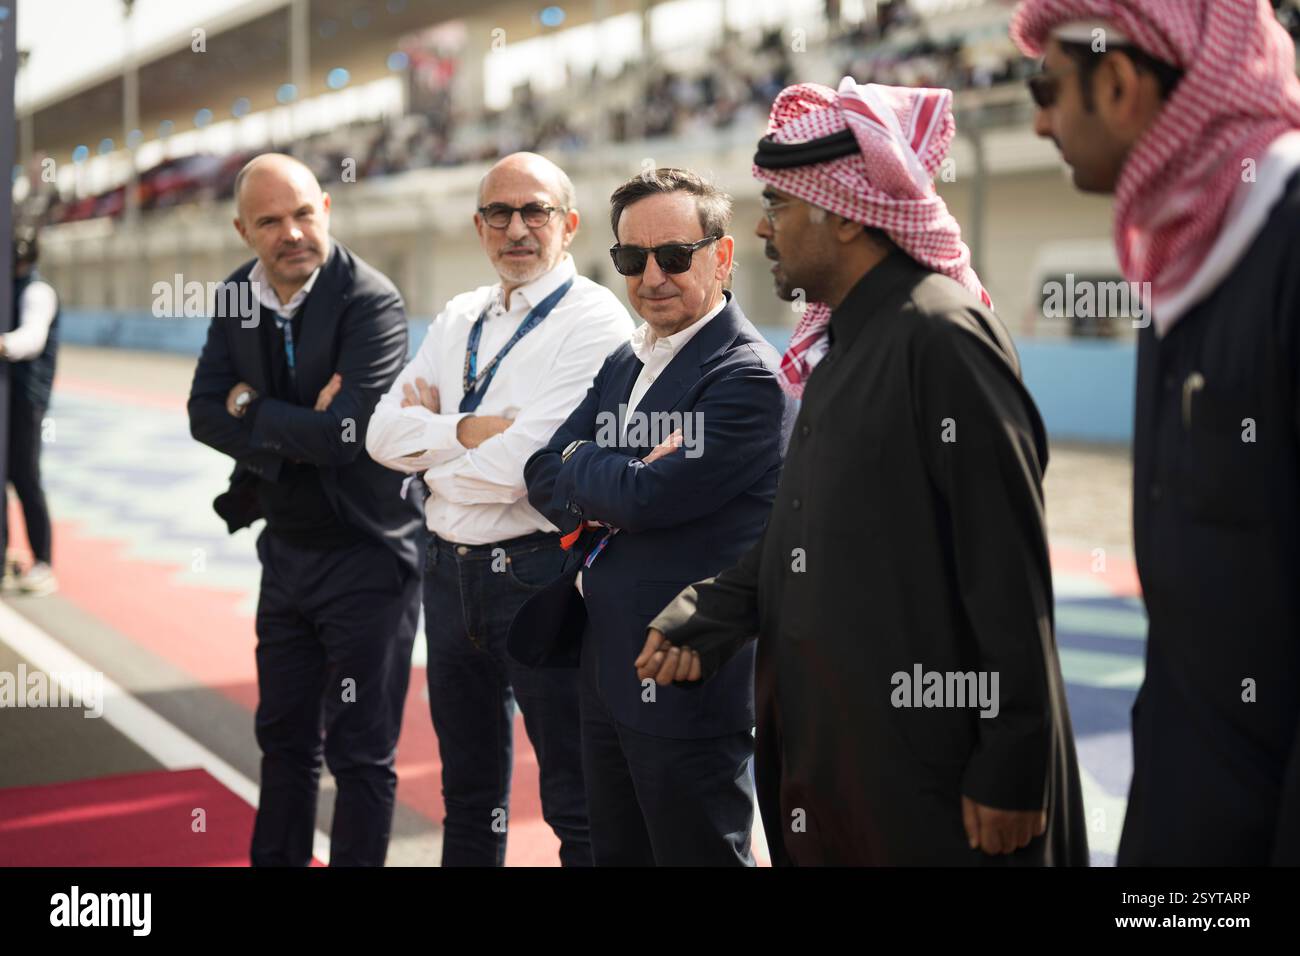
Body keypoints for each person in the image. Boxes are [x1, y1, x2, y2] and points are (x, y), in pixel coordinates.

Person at [639, 81, 1088, 866]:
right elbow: (806, 532)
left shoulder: (941, 334)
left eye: (779, 203)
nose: (764, 228)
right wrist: (711, 611)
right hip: (849, 766)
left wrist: (1014, 763)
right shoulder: (844, 347)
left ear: (845, 210)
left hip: (936, 780)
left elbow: (1007, 572)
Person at [1012, 0, 1300, 865]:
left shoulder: (1286, 242)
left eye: (1047, 86)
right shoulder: (1184, 253)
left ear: (1122, 81)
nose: (1038, 118)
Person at [517, 167, 792, 866]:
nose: (651, 276)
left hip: (684, 677)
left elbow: (645, 500)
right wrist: (611, 471)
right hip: (605, 667)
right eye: (630, 259)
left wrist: (603, 474)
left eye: (674, 255)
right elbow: (542, 470)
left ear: (721, 256)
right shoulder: (625, 358)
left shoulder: (746, 377)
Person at [366, 152, 632, 866]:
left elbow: (526, 469)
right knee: (469, 795)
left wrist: (429, 469)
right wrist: (463, 431)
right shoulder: (459, 316)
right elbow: (379, 435)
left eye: (535, 211)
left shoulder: (594, 320)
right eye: (498, 214)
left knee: (575, 801)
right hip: (447, 579)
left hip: (537, 575)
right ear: (479, 227)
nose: (517, 228)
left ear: (569, 223)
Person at [188, 153, 423, 866]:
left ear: (325, 206)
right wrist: (291, 418)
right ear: (242, 229)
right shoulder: (235, 296)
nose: (291, 232)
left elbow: (348, 436)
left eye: (302, 214)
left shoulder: (371, 300)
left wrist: (251, 408)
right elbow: (203, 412)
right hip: (285, 552)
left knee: (360, 752)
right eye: (270, 221)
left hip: (369, 555)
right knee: (284, 741)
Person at [0, 226, 59, 596]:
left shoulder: (38, 291)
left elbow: (31, 340)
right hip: (9, 397)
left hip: (26, 399)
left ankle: (43, 561)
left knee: (25, 478)